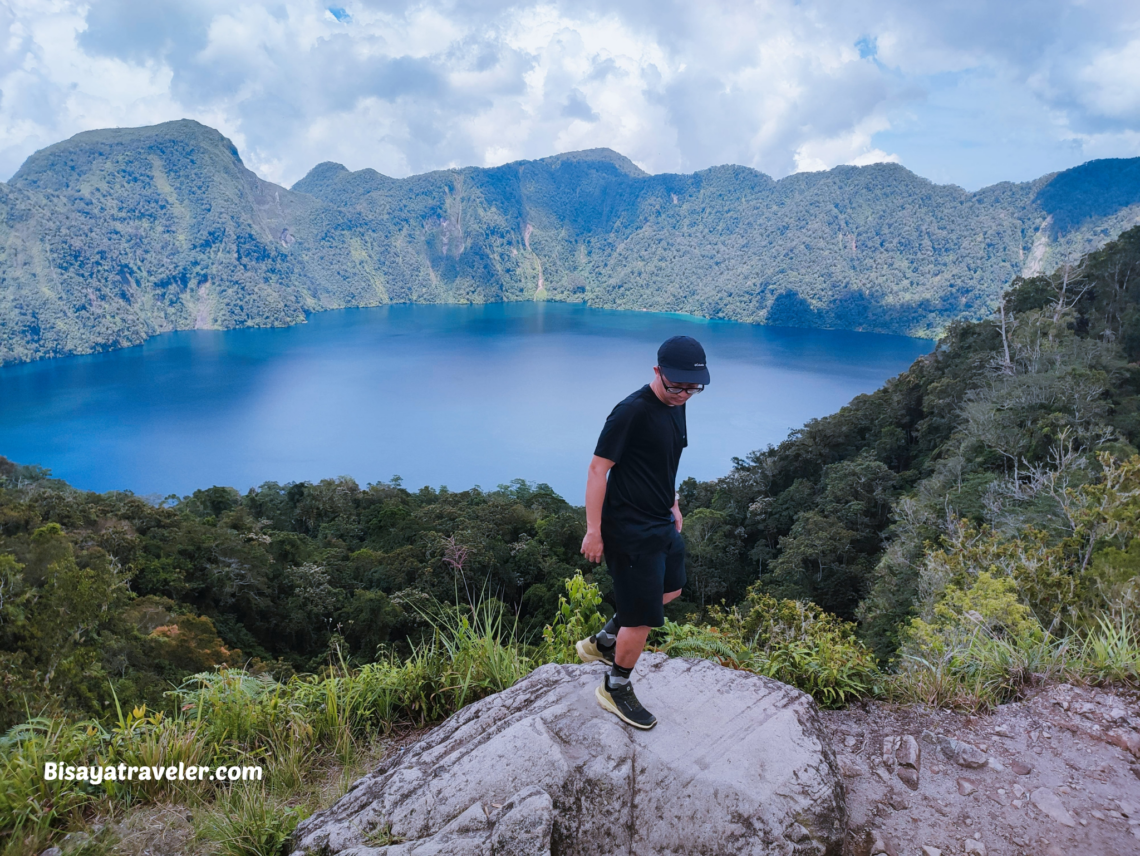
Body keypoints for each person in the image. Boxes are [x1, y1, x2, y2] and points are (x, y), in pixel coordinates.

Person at [577, 335, 710, 729]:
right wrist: (593, 531)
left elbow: (664, 460)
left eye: (692, 388)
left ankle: (604, 642)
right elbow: (598, 469)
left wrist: (673, 501)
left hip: (660, 519)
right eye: (676, 386)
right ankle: (614, 686)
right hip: (629, 527)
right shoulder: (631, 412)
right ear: (657, 372)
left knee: (671, 589)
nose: (684, 394)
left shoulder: (677, 404)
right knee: (642, 616)